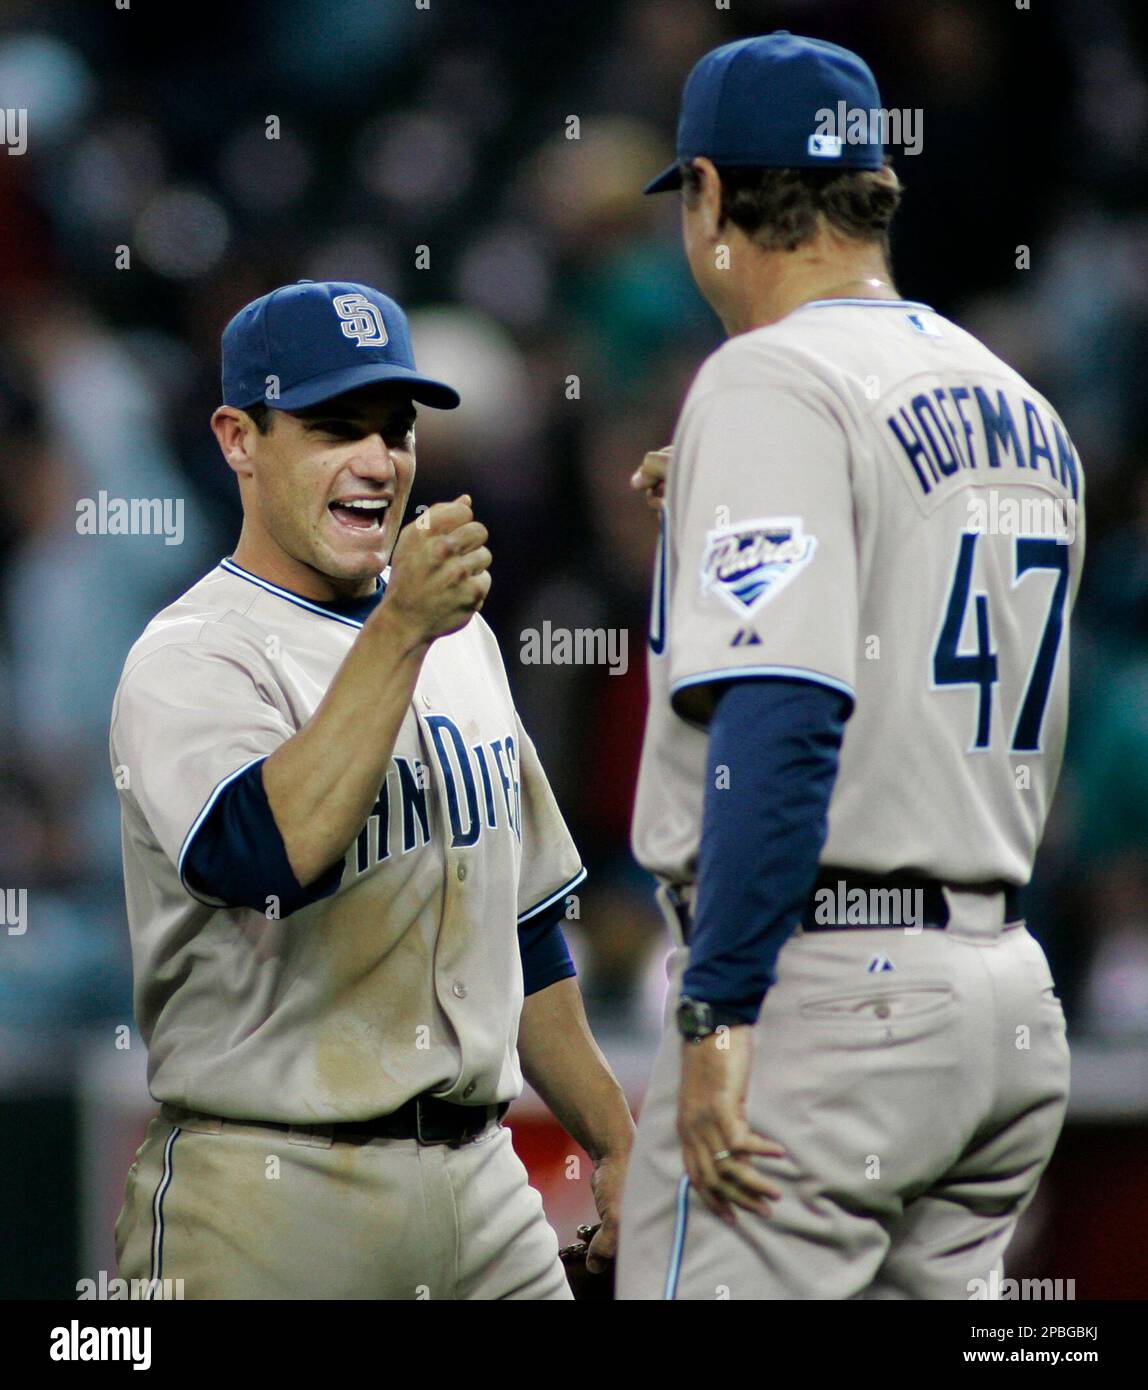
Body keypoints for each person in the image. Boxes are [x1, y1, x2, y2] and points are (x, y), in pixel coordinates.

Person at [618, 34, 1081, 1300]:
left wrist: (720, 1006)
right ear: (869, 189)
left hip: (829, 994)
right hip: (1002, 1003)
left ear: (710, 194)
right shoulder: (1017, 401)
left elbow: (785, 709)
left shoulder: (767, 379)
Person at [110, 279, 633, 1300]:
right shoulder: (192, 656)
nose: (377, 460)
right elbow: (267, 856)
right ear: (238, 438)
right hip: (267, 1189)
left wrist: (614, 1141)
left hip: (481, 1186)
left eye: (394, 430)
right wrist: (401, 629)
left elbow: (522, 927)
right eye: (332, 427)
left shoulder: (458, 638)